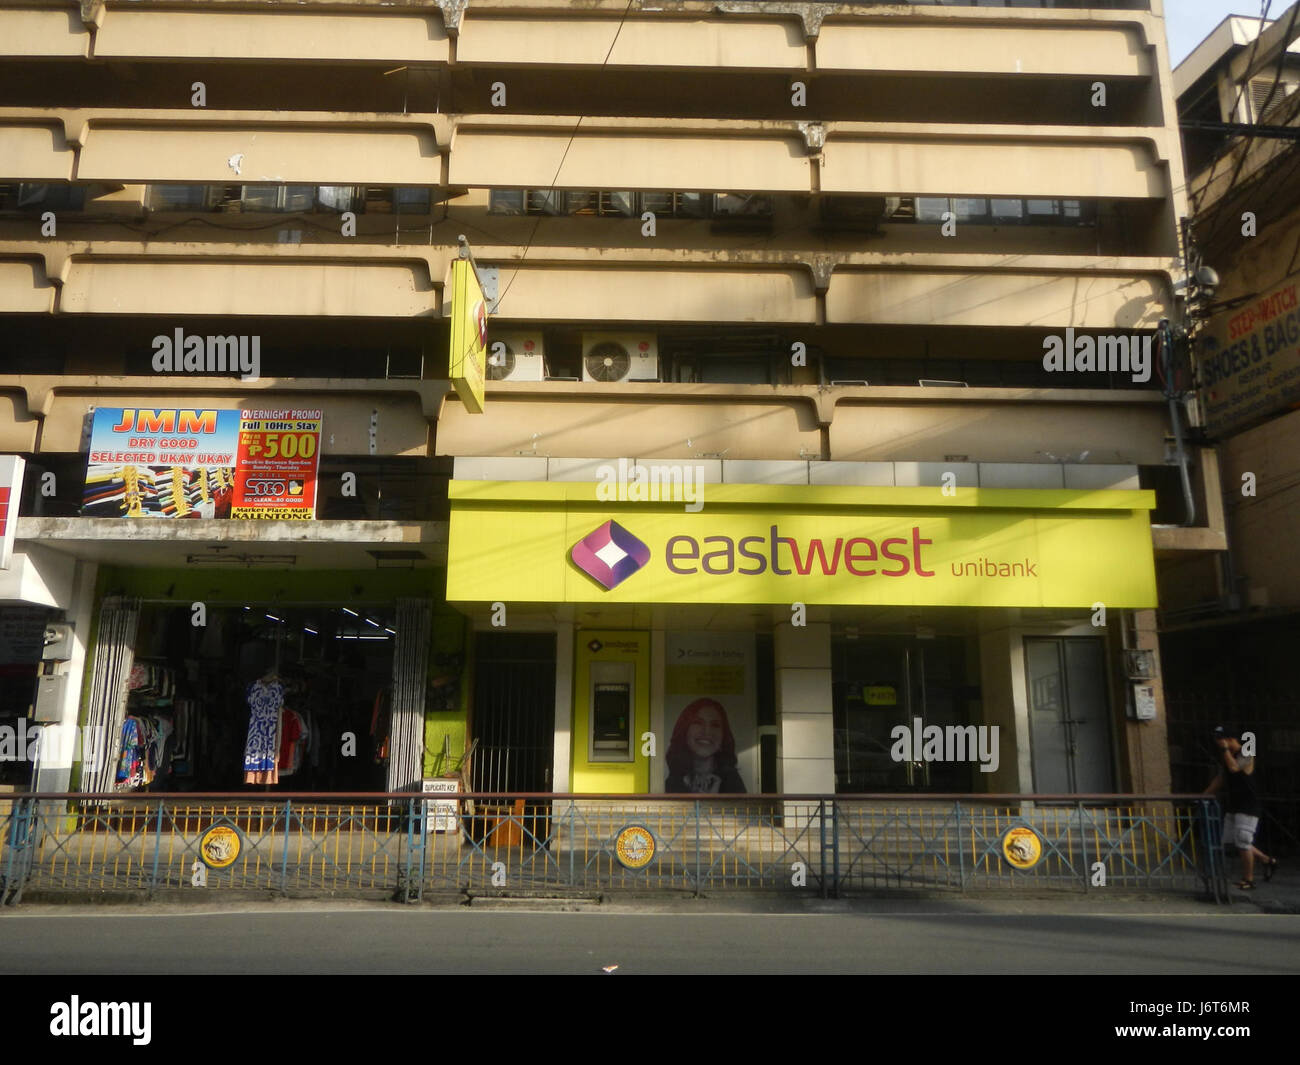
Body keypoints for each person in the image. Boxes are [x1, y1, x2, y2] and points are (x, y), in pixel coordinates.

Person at [1204, 725, 1278, 890]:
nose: (1217, 743)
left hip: (1248, 805)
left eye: (1220, 739)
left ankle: (1249, 880)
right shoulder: (1228, 756)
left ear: (1229, 739)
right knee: (1234, 840)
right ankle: (1267, 861)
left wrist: (1224, 750)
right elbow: (1222, 777)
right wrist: (1204, 795)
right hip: (1234, 805)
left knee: (1243, 841)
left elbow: (1234, 768)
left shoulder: (1247, 752)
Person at [665, 697, 746, 794]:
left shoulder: (733, 781)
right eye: (698, 723)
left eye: (715, 725)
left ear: (723, 736)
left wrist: (712, 799)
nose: (706, 731)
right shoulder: (673, 780)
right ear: (684, 730)